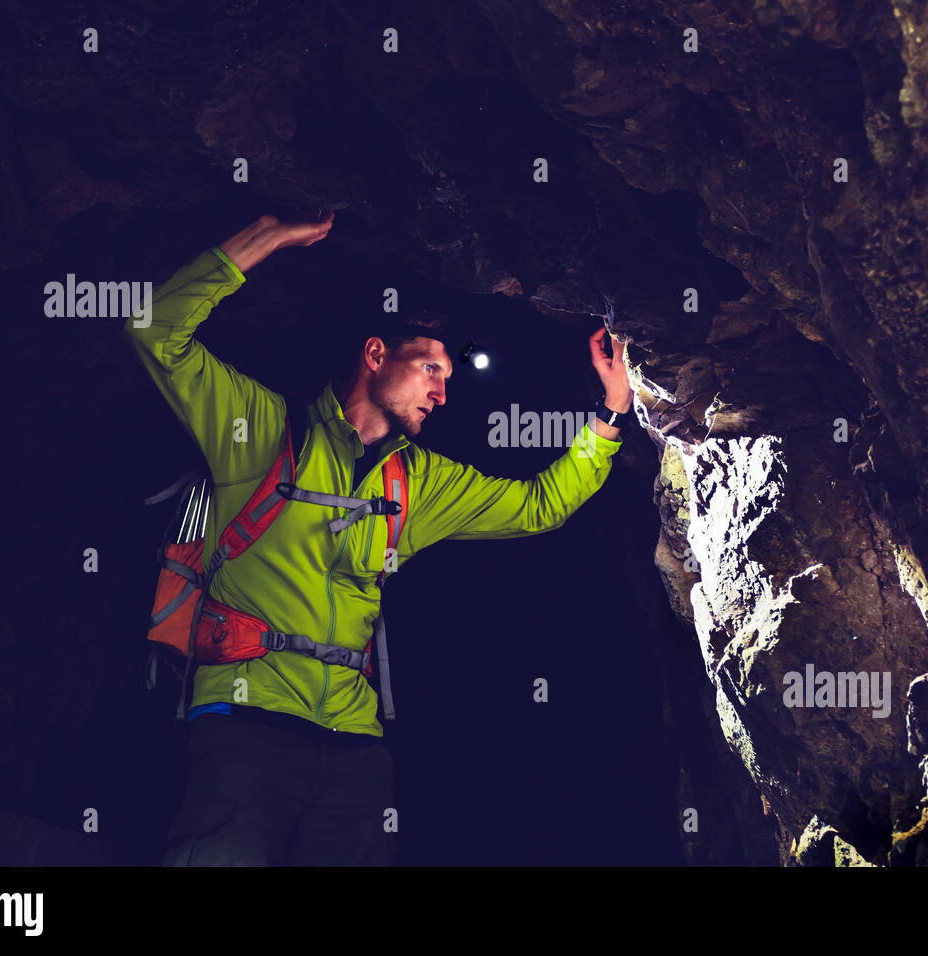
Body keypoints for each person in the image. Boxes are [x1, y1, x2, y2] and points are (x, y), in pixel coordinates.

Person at [123, 213, 634, 865]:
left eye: (448, 378)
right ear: (375, 356)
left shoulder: (418, 482)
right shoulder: (259, 430)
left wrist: (611, 413)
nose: (442, 394)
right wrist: (270, 235)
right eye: (431, 371)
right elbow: (154, 328)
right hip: (244, 729)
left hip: (355, 750)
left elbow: (539, 505)